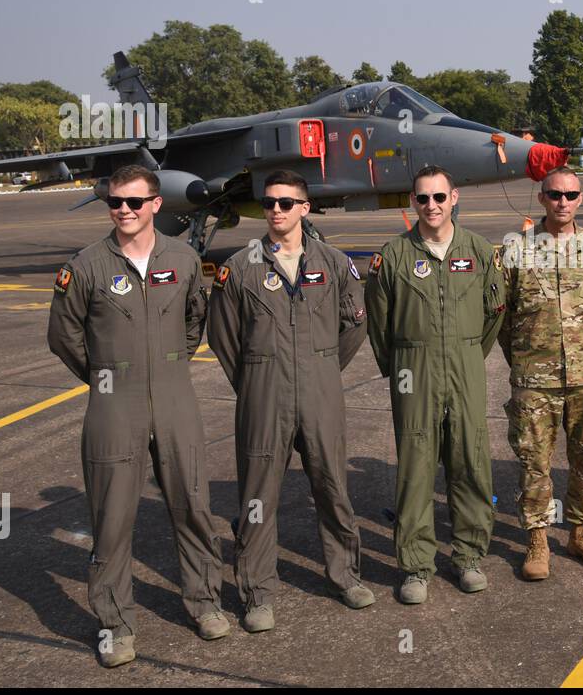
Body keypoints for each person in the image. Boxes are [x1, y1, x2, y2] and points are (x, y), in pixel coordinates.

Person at [47, 164, 227, 668]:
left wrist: (166, 367)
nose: (122, 210)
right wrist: (107, 375)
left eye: (133, 202)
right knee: (112, 518)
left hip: (174, 395)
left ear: (155, 205)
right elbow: (64, 336)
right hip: (113, 401)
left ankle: (205, 602)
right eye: (114, 202)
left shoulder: (186, 259)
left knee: (191, 505)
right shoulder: (85, 266)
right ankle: (115, 624)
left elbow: (196, 321)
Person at [206, 169, 373, 632]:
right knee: (258, 495)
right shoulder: (240, 267)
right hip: (263, 393)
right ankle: (257, 593)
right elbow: (223, 336)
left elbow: (354, 323)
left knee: (333, 486)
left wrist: (321, 366)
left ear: (305, 207)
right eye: (269, 203)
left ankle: (345, 576)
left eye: (285, 202)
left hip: (320, 390)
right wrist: (257, 378)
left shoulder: (336, 263)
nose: (275, 210)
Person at [364, 167, 506, 604]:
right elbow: (380, 324)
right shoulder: (393, 256)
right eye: (423, 198)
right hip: (414, 369)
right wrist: (405, 365)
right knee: (416, 468)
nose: (432, 206)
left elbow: (494, 311)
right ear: (413, 202)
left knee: (470, 461)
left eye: (439, 197)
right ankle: (416, 565)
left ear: (454, 197)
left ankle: (467, 556)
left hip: (465, 365)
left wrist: (466, 355)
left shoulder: (480, 251)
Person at [499, 166, 583, 579]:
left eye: (570, 194)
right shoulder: (516, 250)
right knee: (534, 462)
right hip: (535, 380)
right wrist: (524, 361)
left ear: (580, 199)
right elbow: (503, 316)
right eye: (554, 194)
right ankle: (537, 541)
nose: (562, 202)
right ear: (542, 199)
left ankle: (581, 534)